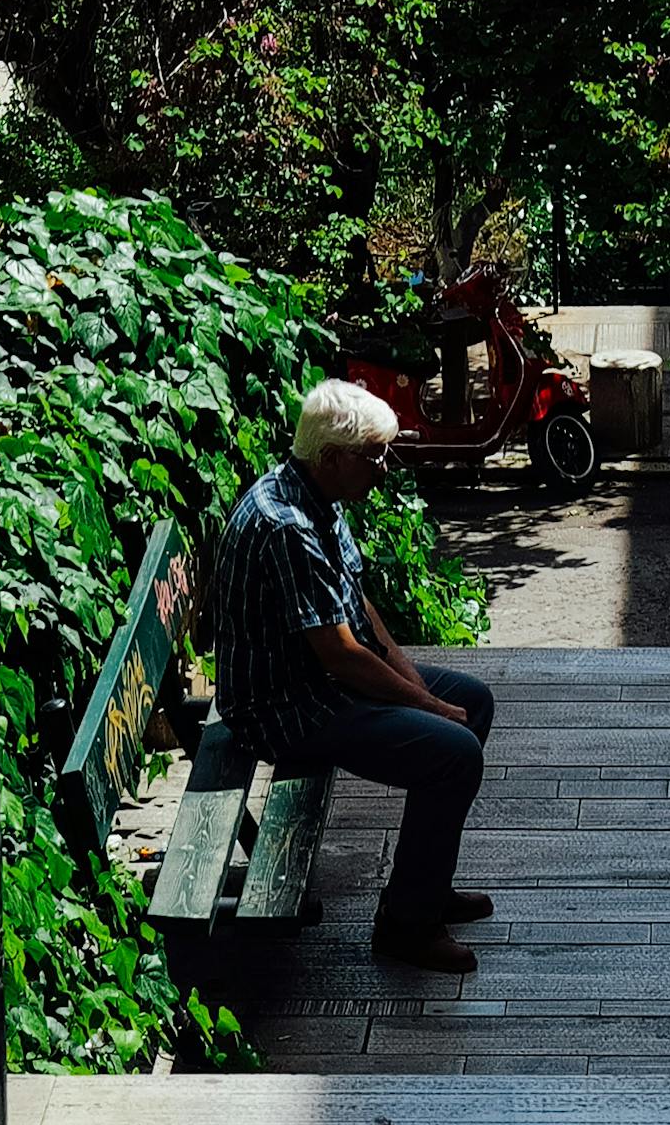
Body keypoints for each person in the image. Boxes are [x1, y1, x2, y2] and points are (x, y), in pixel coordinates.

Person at [210, 379, 499, 965]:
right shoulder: (287, 527)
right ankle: (407, 927)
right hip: (281, 707)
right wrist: (429, 707)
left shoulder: (321, 497)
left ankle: (421, 886)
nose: (384, 467)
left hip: (316, 679)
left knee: (474, 702)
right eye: (374, 455)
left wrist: (417, 687)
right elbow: (340, 653)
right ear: (332, 457)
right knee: (454, 753)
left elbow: (357, 607)